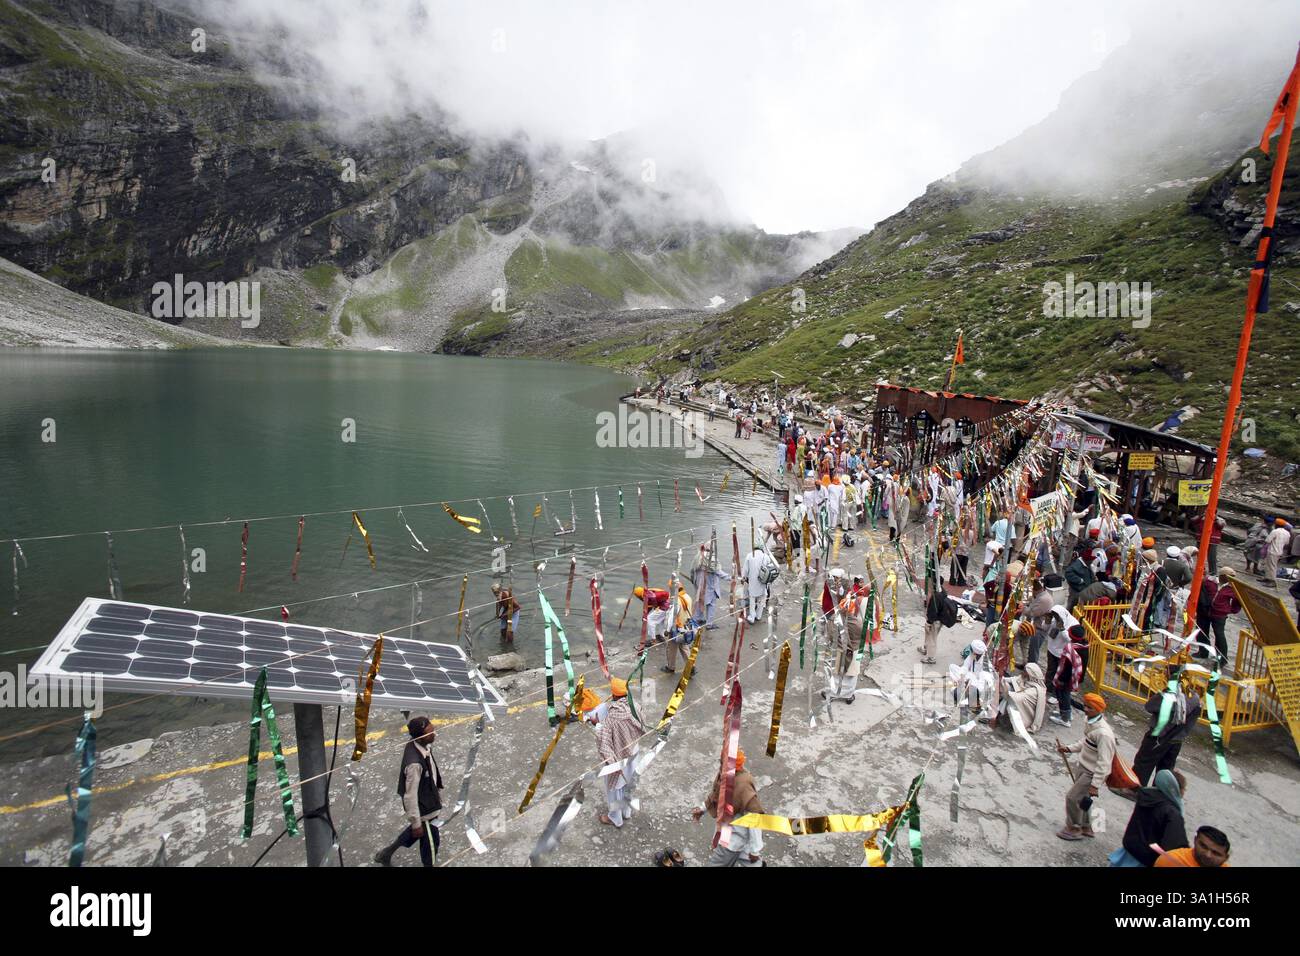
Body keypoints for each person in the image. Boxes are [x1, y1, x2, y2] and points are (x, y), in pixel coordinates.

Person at [374, 716, 444, 866]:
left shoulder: (419, 746)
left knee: (417, 832)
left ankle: (387, 853)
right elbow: (410, 796)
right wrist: (416, 822)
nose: (434, 734)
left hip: (428, 801)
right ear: (420, 737)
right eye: (430, 732)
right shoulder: (414, 765)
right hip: (424, 810)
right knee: (431, 845)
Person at [1056, 693, 1116, 841]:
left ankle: (1074, 828)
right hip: (1084, 766)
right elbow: (1086, 742)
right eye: (1085, 706)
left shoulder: (1104, 734)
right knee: (1082, 799)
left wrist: (1095, 785)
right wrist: (1069, 748)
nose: (1086, 709)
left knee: (1072, 798)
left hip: (1092, 772)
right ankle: (1086, 826)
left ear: (1098, 710)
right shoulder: (1091, 722)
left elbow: (1104, 762)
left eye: (1089, 707)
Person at [692, 749, 766, 866]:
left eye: (723, 763)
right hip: (734, 832)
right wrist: (702, 808)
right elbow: (716, 793)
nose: (721, 766)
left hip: (733, 836)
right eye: (721, 762)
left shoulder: (743, 785)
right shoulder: (725, 775)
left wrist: (755, 849)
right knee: (749, 860)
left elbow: (754, 818)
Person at [1132, 672, 1201, 785]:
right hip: (1176, 740)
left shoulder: (1168, 696)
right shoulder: (1195, 698)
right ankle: (1159, 793)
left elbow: (1149, 706)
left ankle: (1135, 789)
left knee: (1143, 764)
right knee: (1165, 769)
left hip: (1158, 737)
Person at [1109, 769, 1188, 867]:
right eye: (1184, 789)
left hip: (1129, 851)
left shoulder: (1147, 796)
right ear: (1175, 789)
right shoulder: (1172, 813)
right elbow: (1174, 845)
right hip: (1147, 860)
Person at [596, 678, 645, 827]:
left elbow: (604, 743)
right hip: (634, 751)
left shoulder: (612, 718)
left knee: (615, 789)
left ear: (614, 695)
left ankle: (615, 818)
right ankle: (626, 812)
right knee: (629, 783)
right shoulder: (635, 706)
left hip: (618, 758)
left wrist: (598, 727)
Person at [1002, 662, 1048, 736]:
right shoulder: (1027, 678)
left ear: (1030, 674)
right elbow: (1015, 679)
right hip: (1021, 701)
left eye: (1025, 672)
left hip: (1028, 712)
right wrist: (1002, 679)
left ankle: (1019, 727)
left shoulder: (1035, 690)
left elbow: (1018, 697)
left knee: (1011, 706)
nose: (1023, 673)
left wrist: (1005, 689)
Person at [1155, 826, 1231, 867]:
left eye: (1216, 853)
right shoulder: (1170, 861)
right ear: (1195, 840)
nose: (1208, 855)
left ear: (1225, 858)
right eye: (1203, 846)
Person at [741, 545, 777, 624]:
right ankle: (758, 615)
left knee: (752, 599)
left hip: (753, 581)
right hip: (763, 581)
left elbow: (745, 571)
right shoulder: (766, 556)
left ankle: (752, 617)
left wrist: (744, 578)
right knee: (762, 598)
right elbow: (771, 567)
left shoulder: (749, 555)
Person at [663, 585, 696, 674]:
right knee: (684, 647)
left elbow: (671, 617)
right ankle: (691, 666)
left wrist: (667, 630)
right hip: (686, 627)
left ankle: (670, 667)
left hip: (676, 630)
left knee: (671, 649)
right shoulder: (688, 596)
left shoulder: (677, 601)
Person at [1262, 518, 1291, 587]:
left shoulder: (1275, 531)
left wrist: (1263, 549)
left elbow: (1267, 541)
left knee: (1271, 566)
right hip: (1279, 551)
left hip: (1272, 551)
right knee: (1269, 565)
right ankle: (1267, 578)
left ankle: (1272, 581)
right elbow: (1287, 543)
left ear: (1276, 525)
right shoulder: (1287, 533)